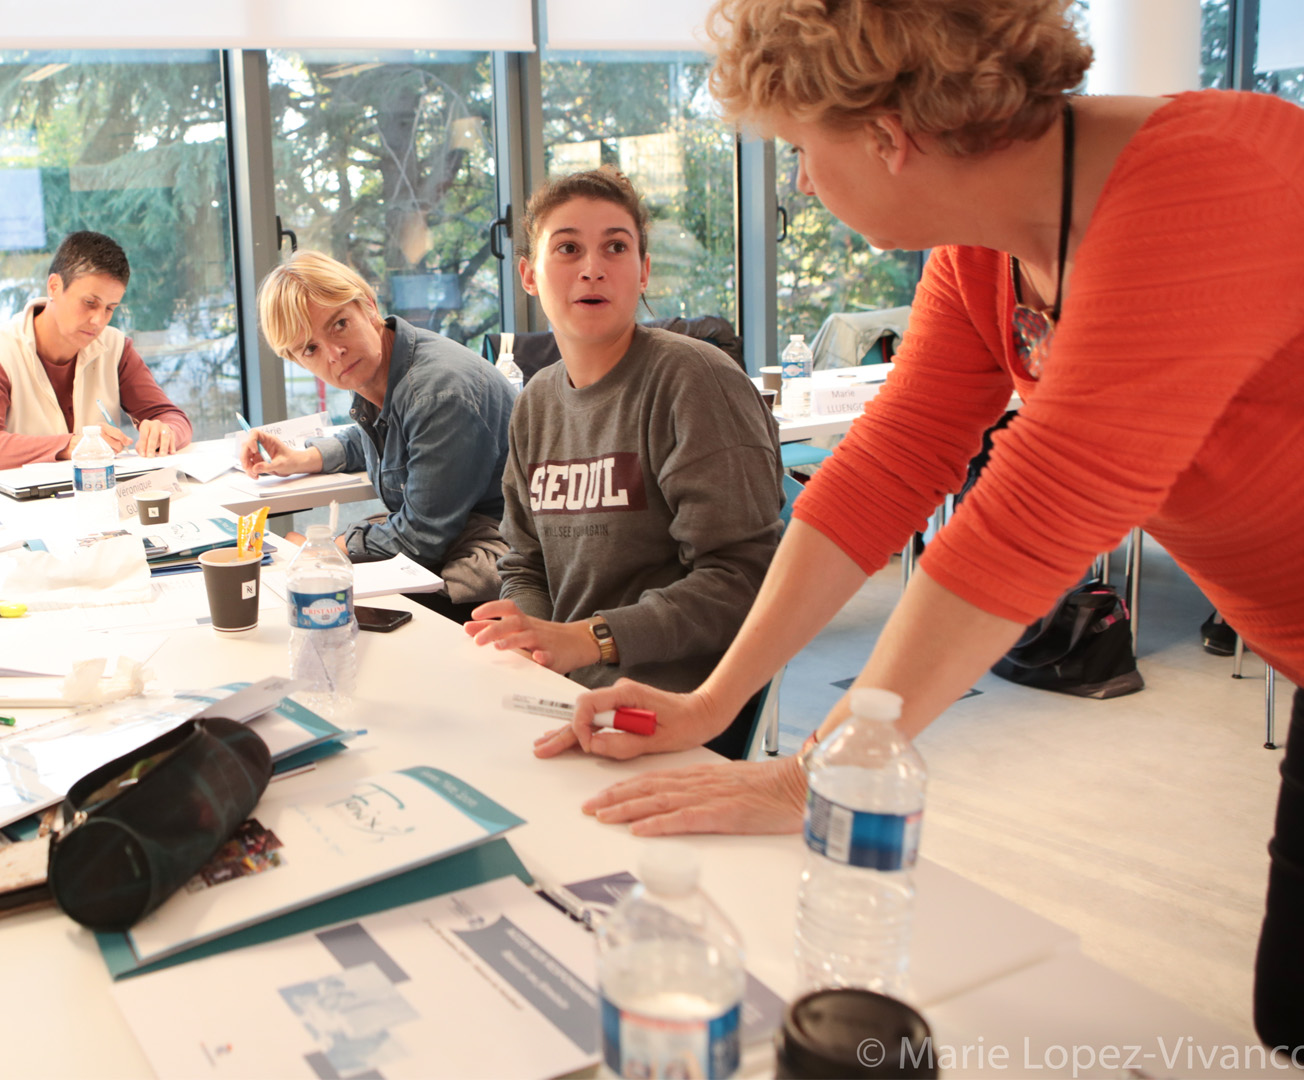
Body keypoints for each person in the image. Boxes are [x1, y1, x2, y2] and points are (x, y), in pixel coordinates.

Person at [545, 0, 1304, 1050]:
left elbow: (1030, 514)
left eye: (801, 150)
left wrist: (816, 773)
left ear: (887, 135)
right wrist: (712, 704)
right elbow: (888, 466)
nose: (803, 182)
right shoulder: (984, 254)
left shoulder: (1210, 185)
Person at [463, 167, 783, 755]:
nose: (592, 268)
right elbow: (525, 563)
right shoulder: (536, 402)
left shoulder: (694, 381)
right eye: (568, 248)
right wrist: (532, 642)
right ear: (529, 276)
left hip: (667, 710)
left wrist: (588, 639)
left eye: (615, 247)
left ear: (643, 271)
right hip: (561, 693)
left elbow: (744, 579)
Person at [241, 250, 516, 619]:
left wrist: (327, 548)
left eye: (339, 324)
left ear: (368, 306)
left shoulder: (437, 392)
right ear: (297, 360)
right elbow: (383, 436)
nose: (335, 353)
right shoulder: (384, 368)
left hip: (499, 565)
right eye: (310, 349)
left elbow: (420, 538)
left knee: (312, 604)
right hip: (450, 541)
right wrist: (304, 459)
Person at [0, 230, 192, 470]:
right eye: (89, 303)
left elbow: (173, 418)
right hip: (9, 493)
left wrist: (165, 432)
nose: (98, 321)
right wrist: (71, 446)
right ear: (54, 286)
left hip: (95, 488)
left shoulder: (115, 347)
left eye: (110, 308)